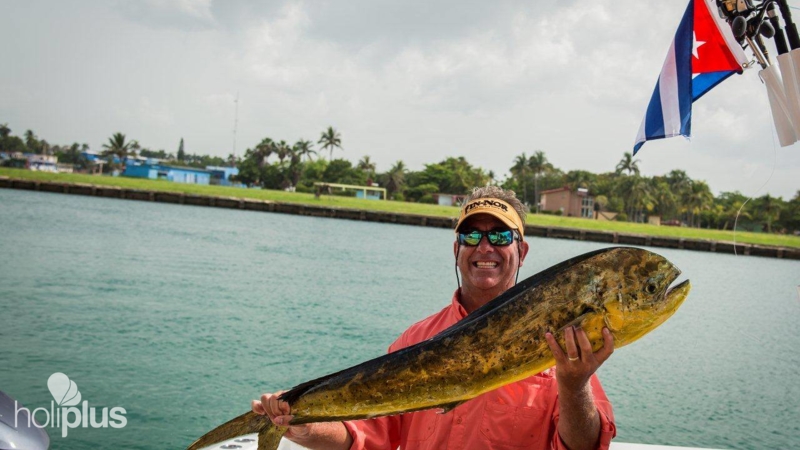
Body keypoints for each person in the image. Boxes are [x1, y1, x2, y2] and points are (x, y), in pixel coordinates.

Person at [253, 186, 616, 450]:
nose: (484, 247)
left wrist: (573, 385)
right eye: (471, 235)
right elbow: (369, 435)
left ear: (521, 251)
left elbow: (585, 446)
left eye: (500, 235)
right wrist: (301, 428)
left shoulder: (560, 344)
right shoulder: (417, 340)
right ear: (456, 249)